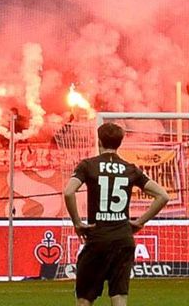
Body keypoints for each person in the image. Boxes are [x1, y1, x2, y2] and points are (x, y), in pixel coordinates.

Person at [61, 122, 169, 306]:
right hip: (123, 239)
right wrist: (140, 222)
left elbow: (69, 192)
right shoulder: (130, 169)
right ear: (120, 142)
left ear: (99, 141)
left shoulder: (88, 165)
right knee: (119, 296)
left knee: (85, 298)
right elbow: (163, 196)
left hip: (98, 238)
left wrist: (77, 222)